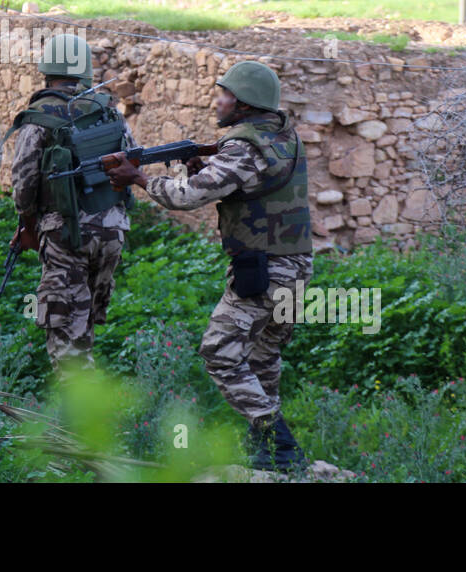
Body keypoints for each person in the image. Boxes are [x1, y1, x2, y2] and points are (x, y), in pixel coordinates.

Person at [105, 60, 313, 471]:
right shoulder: (284, 135)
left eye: (225, 95)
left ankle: (279, 443)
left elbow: (185, 197)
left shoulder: (243, 146)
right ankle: (267, 453)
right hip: (296, 269)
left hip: (265, 272)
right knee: (261, 358)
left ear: (246, 103)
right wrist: (205, 167)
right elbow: (250, 184)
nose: (217, 101)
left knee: (218, 352)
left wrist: (139, 179)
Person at [7, 33, 134, 369]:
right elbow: (131, 160)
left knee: (65, 338)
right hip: (112, 234)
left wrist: (28, 221)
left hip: (66, 235)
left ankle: (80, 419)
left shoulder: (39, 115)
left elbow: (22, 183)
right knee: (84, 327)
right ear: (85, 71)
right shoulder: (108, 110)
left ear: (46, 71)